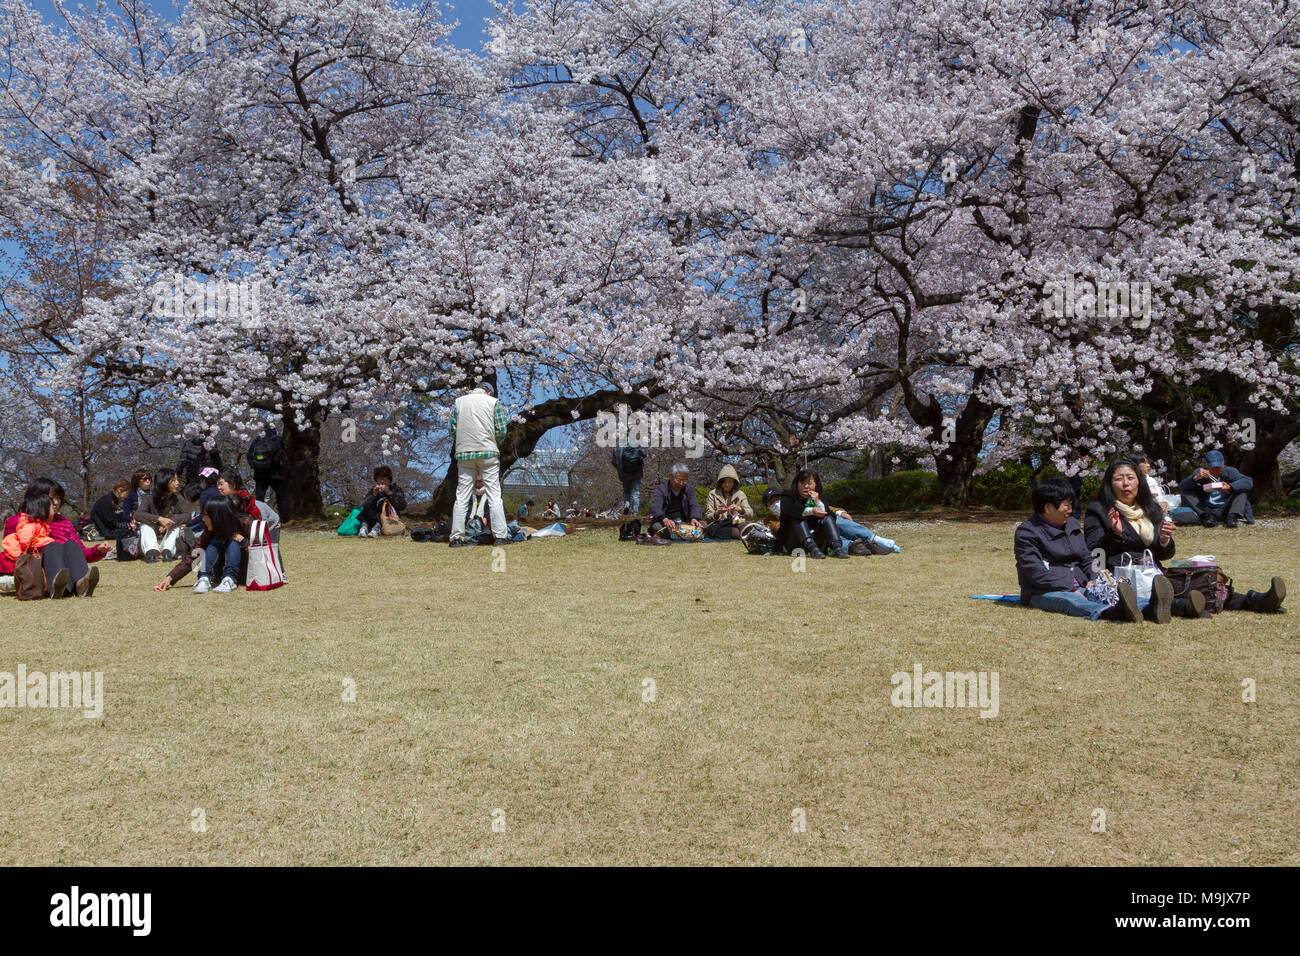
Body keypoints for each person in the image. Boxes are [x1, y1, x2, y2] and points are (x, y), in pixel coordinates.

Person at [1015, 477, 1148, 622]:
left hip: (1081, 583)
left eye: (1071, 505)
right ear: (1048, 507)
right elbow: (1036, 573)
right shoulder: (1027, 533)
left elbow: (1086, 557)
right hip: (1043, 591)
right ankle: (1114, 613)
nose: (1070, 511)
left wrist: (1095, 578)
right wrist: (1070, 587)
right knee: (1072, 600)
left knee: (1113, 593)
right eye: (1067, 506)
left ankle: (1154, 606)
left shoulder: (1071, 524)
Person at [1083, 458, 1199, 622]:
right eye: (1119, 479)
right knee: (1129, 595)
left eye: (1130, 478)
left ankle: (1246, 600)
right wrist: (1116, 534)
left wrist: (1164, 540)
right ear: (1110, 484)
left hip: (1151, 572)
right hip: (1120, 575)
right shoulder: (1099, 509)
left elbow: (1165, 554)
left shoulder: (1152, 508)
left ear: (1139, 481)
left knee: (1197, 582)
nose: (1125, 484)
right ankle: (1180, 607)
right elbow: (1094, 551)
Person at [3, 485, 100, 597]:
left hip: (61, 563)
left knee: (71, 544)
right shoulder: (27, 523)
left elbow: (81, 552)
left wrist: (97, 550)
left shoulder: (61, 522)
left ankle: (81, 584)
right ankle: (56, 586)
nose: (55, 504)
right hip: (37, 566)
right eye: (51, 500)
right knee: (53, 546)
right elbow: (22, 544)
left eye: (58, 498)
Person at [448, 382, 509, 547]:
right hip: (488, 453)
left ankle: (456, 538)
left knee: (462, 495)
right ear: (489, 392)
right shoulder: (493, 402)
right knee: (494, 494)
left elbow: (452, 429)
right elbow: (502, 429)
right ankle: (500, 536)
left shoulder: (459, 402)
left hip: (464, 453)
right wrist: (494, 442)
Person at [154, 496, 253, 594]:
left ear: (217, 516)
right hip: (219, 575)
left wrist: (243, 541)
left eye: (206, 516)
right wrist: (170, 578)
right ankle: (204, 578)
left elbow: (260, 554)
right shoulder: (211, 530)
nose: (203, 520)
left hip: (243, 573)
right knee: (215, 540)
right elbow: (194, 554)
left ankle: (229, 580)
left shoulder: (246, 523)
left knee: (232, 541)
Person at [774, 468, 847, 558]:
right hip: (794, 543)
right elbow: (790, 510)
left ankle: (837, 548)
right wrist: (812, 511)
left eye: (809, 483)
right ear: (797, 484)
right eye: (802, 483)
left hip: (816, 541)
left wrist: (818, 502)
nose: (806, 486)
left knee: (827, 518)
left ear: (816, 485)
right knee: (798, 518)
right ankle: (812, 549)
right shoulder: (788, 495)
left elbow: (831, 516)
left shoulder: (818, 498)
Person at [1178, 450, 1255, 528]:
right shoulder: (1199, 472)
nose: (1217, 469)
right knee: (1185, 494)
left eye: (1219, 466)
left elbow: (1248, 482)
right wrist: (1195, 478)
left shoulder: (1230, 471)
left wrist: (1230, 486)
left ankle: (1232, 518)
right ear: (1207, 465)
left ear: (1223, 463)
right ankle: (1206, 518)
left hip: (1226, 509)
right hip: (1207, 509)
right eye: (1214, 467)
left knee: (1242, 492)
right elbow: (1182, 487)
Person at [134, 468, 195, 562]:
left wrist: (169, 521)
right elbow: (138, 515)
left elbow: (188, 515)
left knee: (176, 527)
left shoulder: (178, 498)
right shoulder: (149, 498)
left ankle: (167, 552)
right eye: (173, 480)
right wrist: (159, 519)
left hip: (167, 541)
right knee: (144, 525)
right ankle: (151, 553)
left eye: (177, 480)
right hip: (149, 541)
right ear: (164, 482)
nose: (177, 483)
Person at [649, 463, 704, 539]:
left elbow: (694, 505)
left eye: (684, 480)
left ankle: (681, 535)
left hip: (684, 522)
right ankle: (688, 535)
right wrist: (664, 519)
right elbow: (655, 508)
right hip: (667, 524)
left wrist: (694, 518)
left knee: (703, 524)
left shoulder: (689, 488)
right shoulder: (661, 489)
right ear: (670, 476)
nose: (681, 483)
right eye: (679, 480)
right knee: (656, 527)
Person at [90, 478, 138, 558]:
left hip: (106, 529)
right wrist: (127, 525)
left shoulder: (112, 501)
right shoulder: (107, 500)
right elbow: (111, 522)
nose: (126, 497)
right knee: (127, 534)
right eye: (126, 493)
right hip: (101, 531)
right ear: (120, 490)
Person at [704, 465, 753, 538]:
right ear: (720, 482)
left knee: (747, 526)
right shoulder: (713, 494)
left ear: (734, 482)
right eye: (724, 482)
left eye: (730, 481)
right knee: (735, 532)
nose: (727, 484)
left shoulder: (740, 494)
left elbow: (750, 513)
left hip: (737, 523)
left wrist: (740, 509)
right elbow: (708, 516)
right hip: (720, 524)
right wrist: (717, 513)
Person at [356, 466, 406, 538]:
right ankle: (364, 527)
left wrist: (389, 492)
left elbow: (402, 506)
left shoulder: (396, 489)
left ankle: (377, 528)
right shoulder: (372, 491)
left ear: (389, 480)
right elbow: (363, 506)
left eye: (385, 480)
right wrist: (374, 495)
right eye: (379, 480)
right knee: (368, 505)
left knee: (382, 502)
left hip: (390, 518)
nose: (382, 482)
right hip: (372, 518)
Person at [247, 424, 285, 514]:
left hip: (260, 473)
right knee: (281, 496)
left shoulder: (257, 440)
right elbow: (281, 455)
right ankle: (285, 519)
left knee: (259, 498)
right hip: (275, 473)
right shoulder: (278, 440)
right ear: (274, 429)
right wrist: (273, 464)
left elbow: (249, 454)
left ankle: (259, 517)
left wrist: (254, 465)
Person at [611, 444, 646, 516]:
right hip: (637, 473)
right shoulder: (637, 444)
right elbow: (644, 454)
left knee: (626, 491)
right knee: (635, 493)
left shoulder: (617, 448)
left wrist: (620, 467)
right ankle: (634, 513)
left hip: (625, 474)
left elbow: (613, 462)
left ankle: (627, 504)